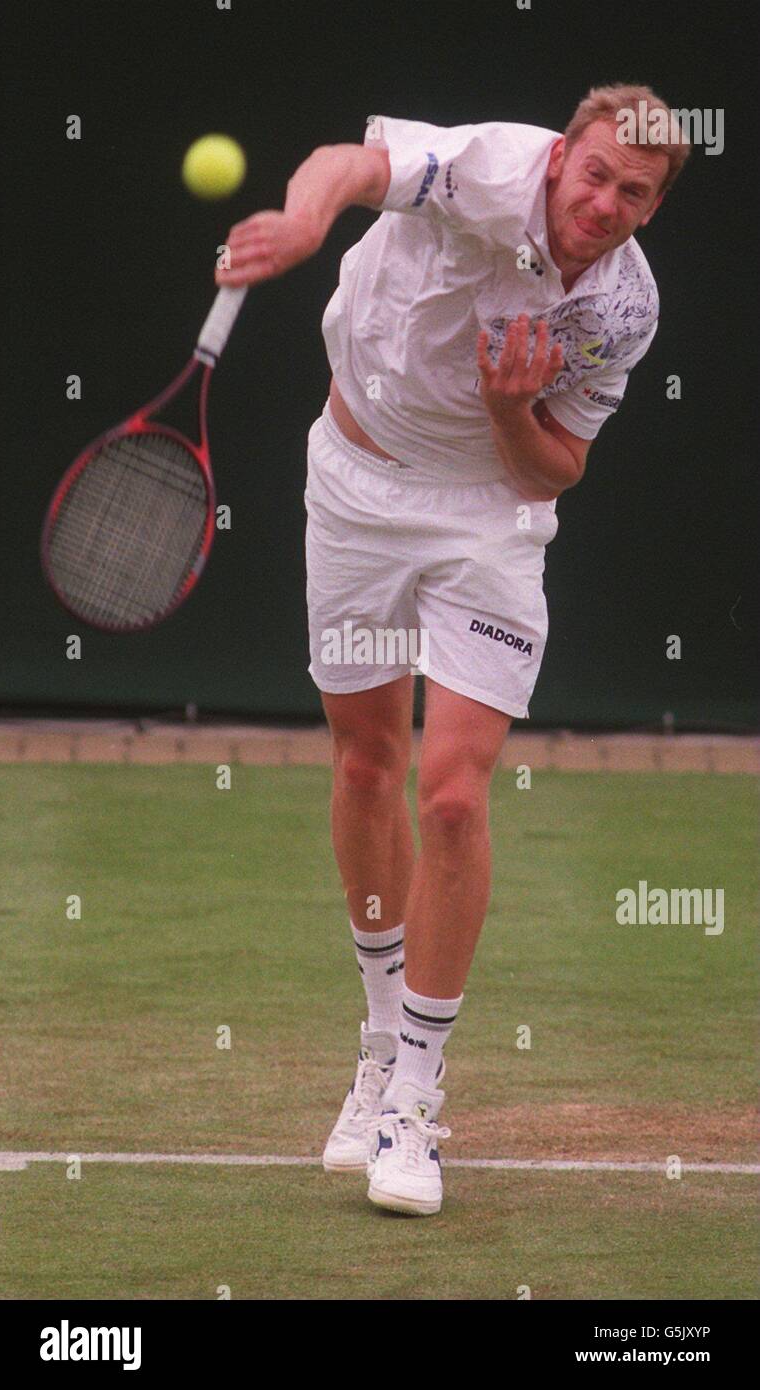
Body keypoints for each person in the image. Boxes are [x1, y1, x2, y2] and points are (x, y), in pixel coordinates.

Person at [216, 84, 691, 1216]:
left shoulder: (624, 308)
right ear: (557, 161)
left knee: (448, 795)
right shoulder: (483, 168)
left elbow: (552, 469)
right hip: (358, 485)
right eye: (593, 175)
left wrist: (503, 412)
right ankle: (377, 1044)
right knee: (369, 765)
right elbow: (347, 161)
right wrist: (301, 221)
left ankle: (416, 1098)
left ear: (651, 207)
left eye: (634, 192)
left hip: (487, 515)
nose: (603, 201)